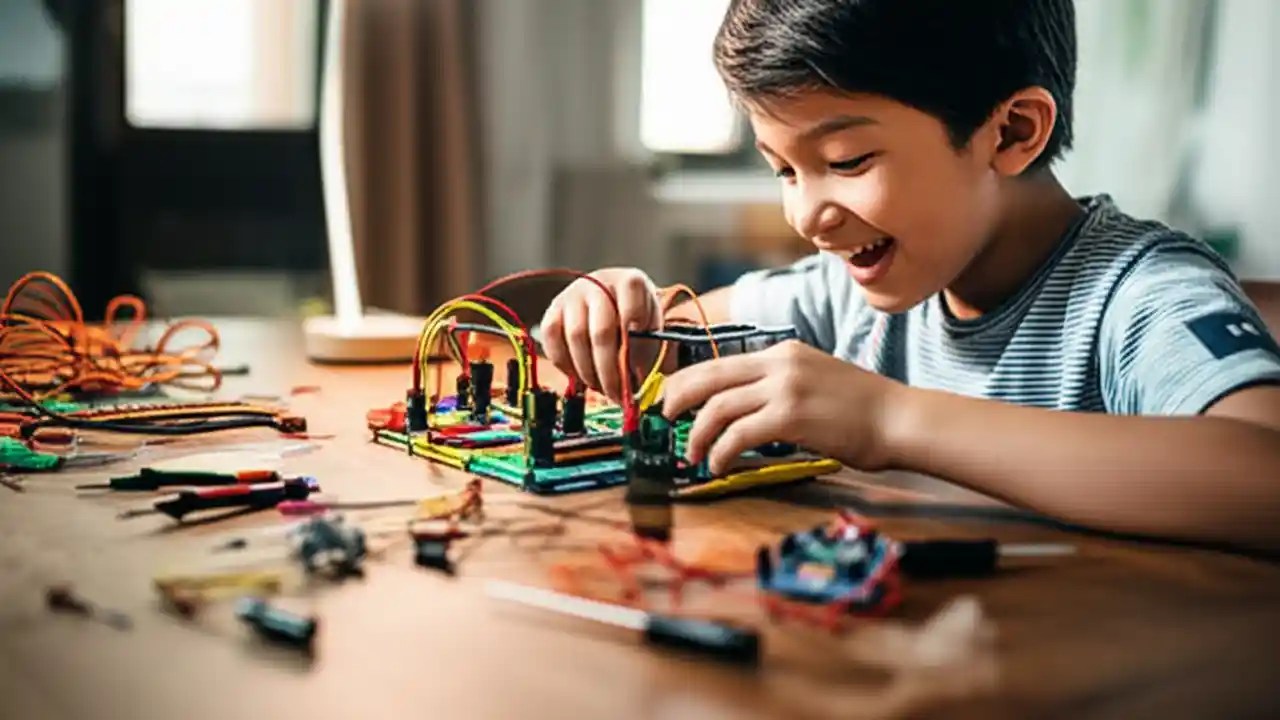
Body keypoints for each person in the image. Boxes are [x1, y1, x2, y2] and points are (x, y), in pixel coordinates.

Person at [539, 0, 1280, 552]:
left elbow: (1262, 479)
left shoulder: (1141, 293)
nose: (807, 215)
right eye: (784, 171)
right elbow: (678, 335)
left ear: (1013, 131)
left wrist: (889, 420)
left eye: (848, 162)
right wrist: (616, 317)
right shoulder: (843, 296)